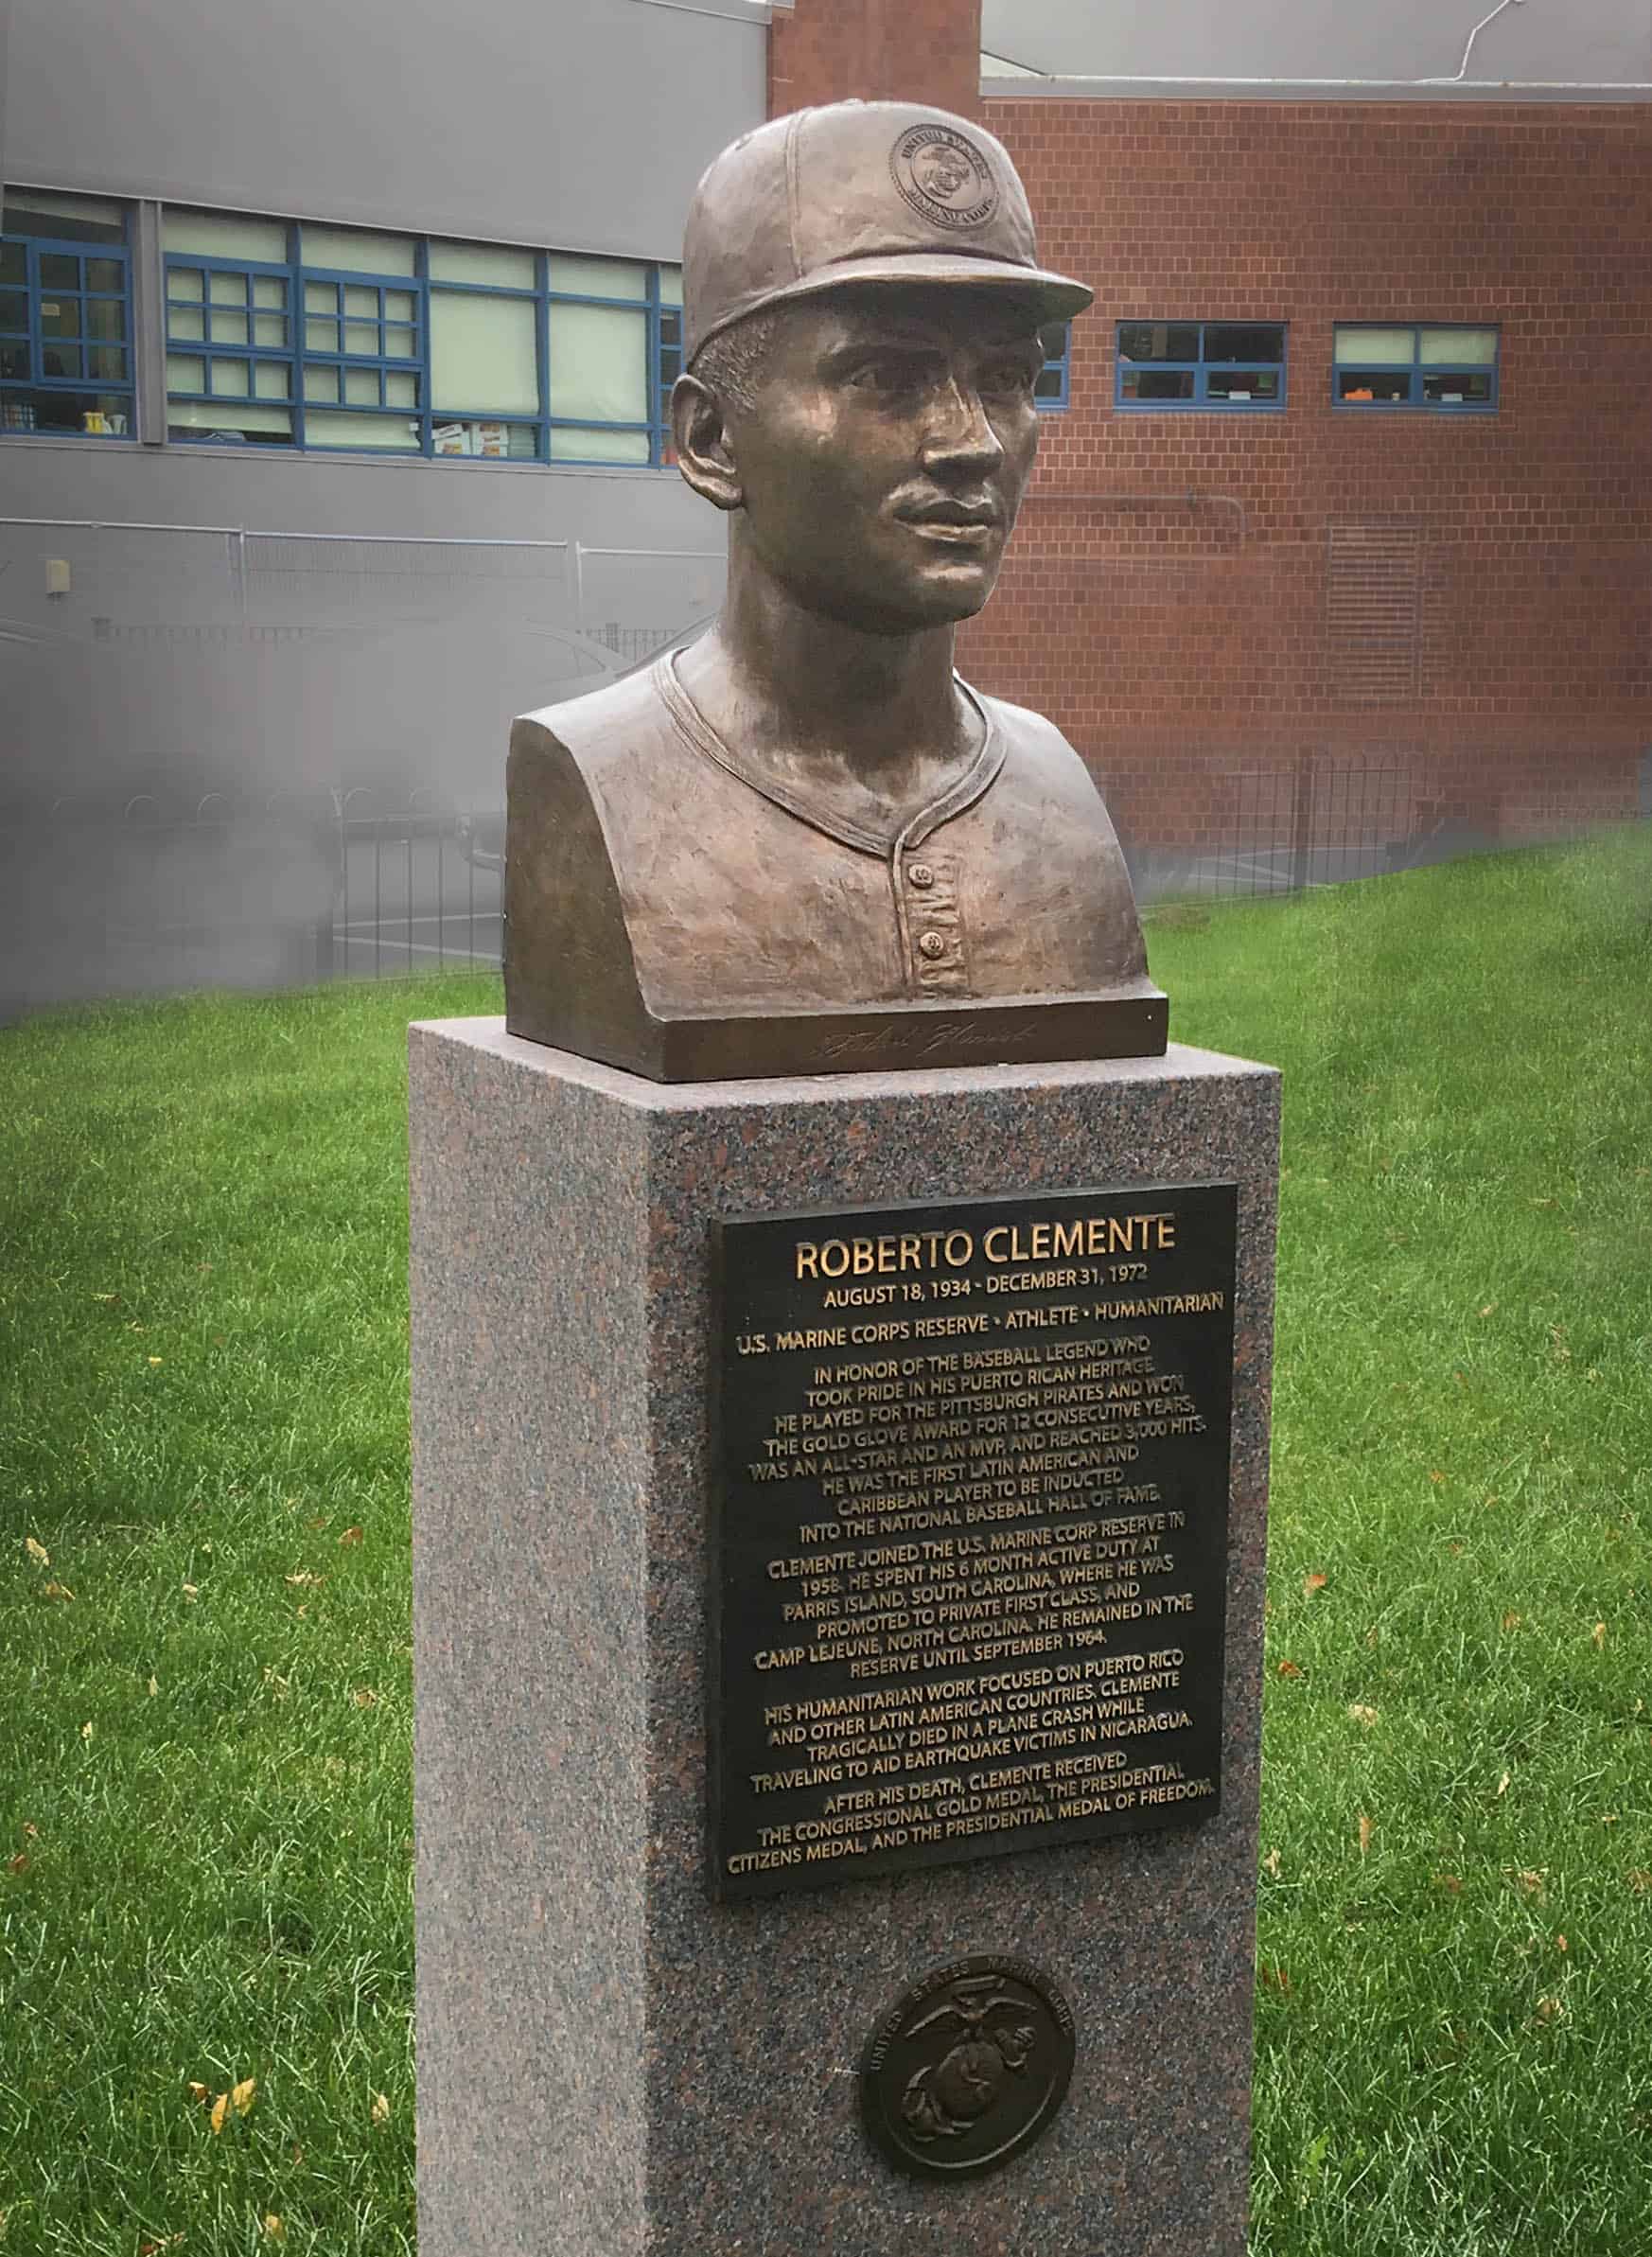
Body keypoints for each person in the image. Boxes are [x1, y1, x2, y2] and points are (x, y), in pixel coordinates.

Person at [504, 99, 1164, 1079]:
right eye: (887, 379)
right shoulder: (598, 779)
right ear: (712, 443)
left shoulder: (1055, 796)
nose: (971, 443)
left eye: (1005, 378)